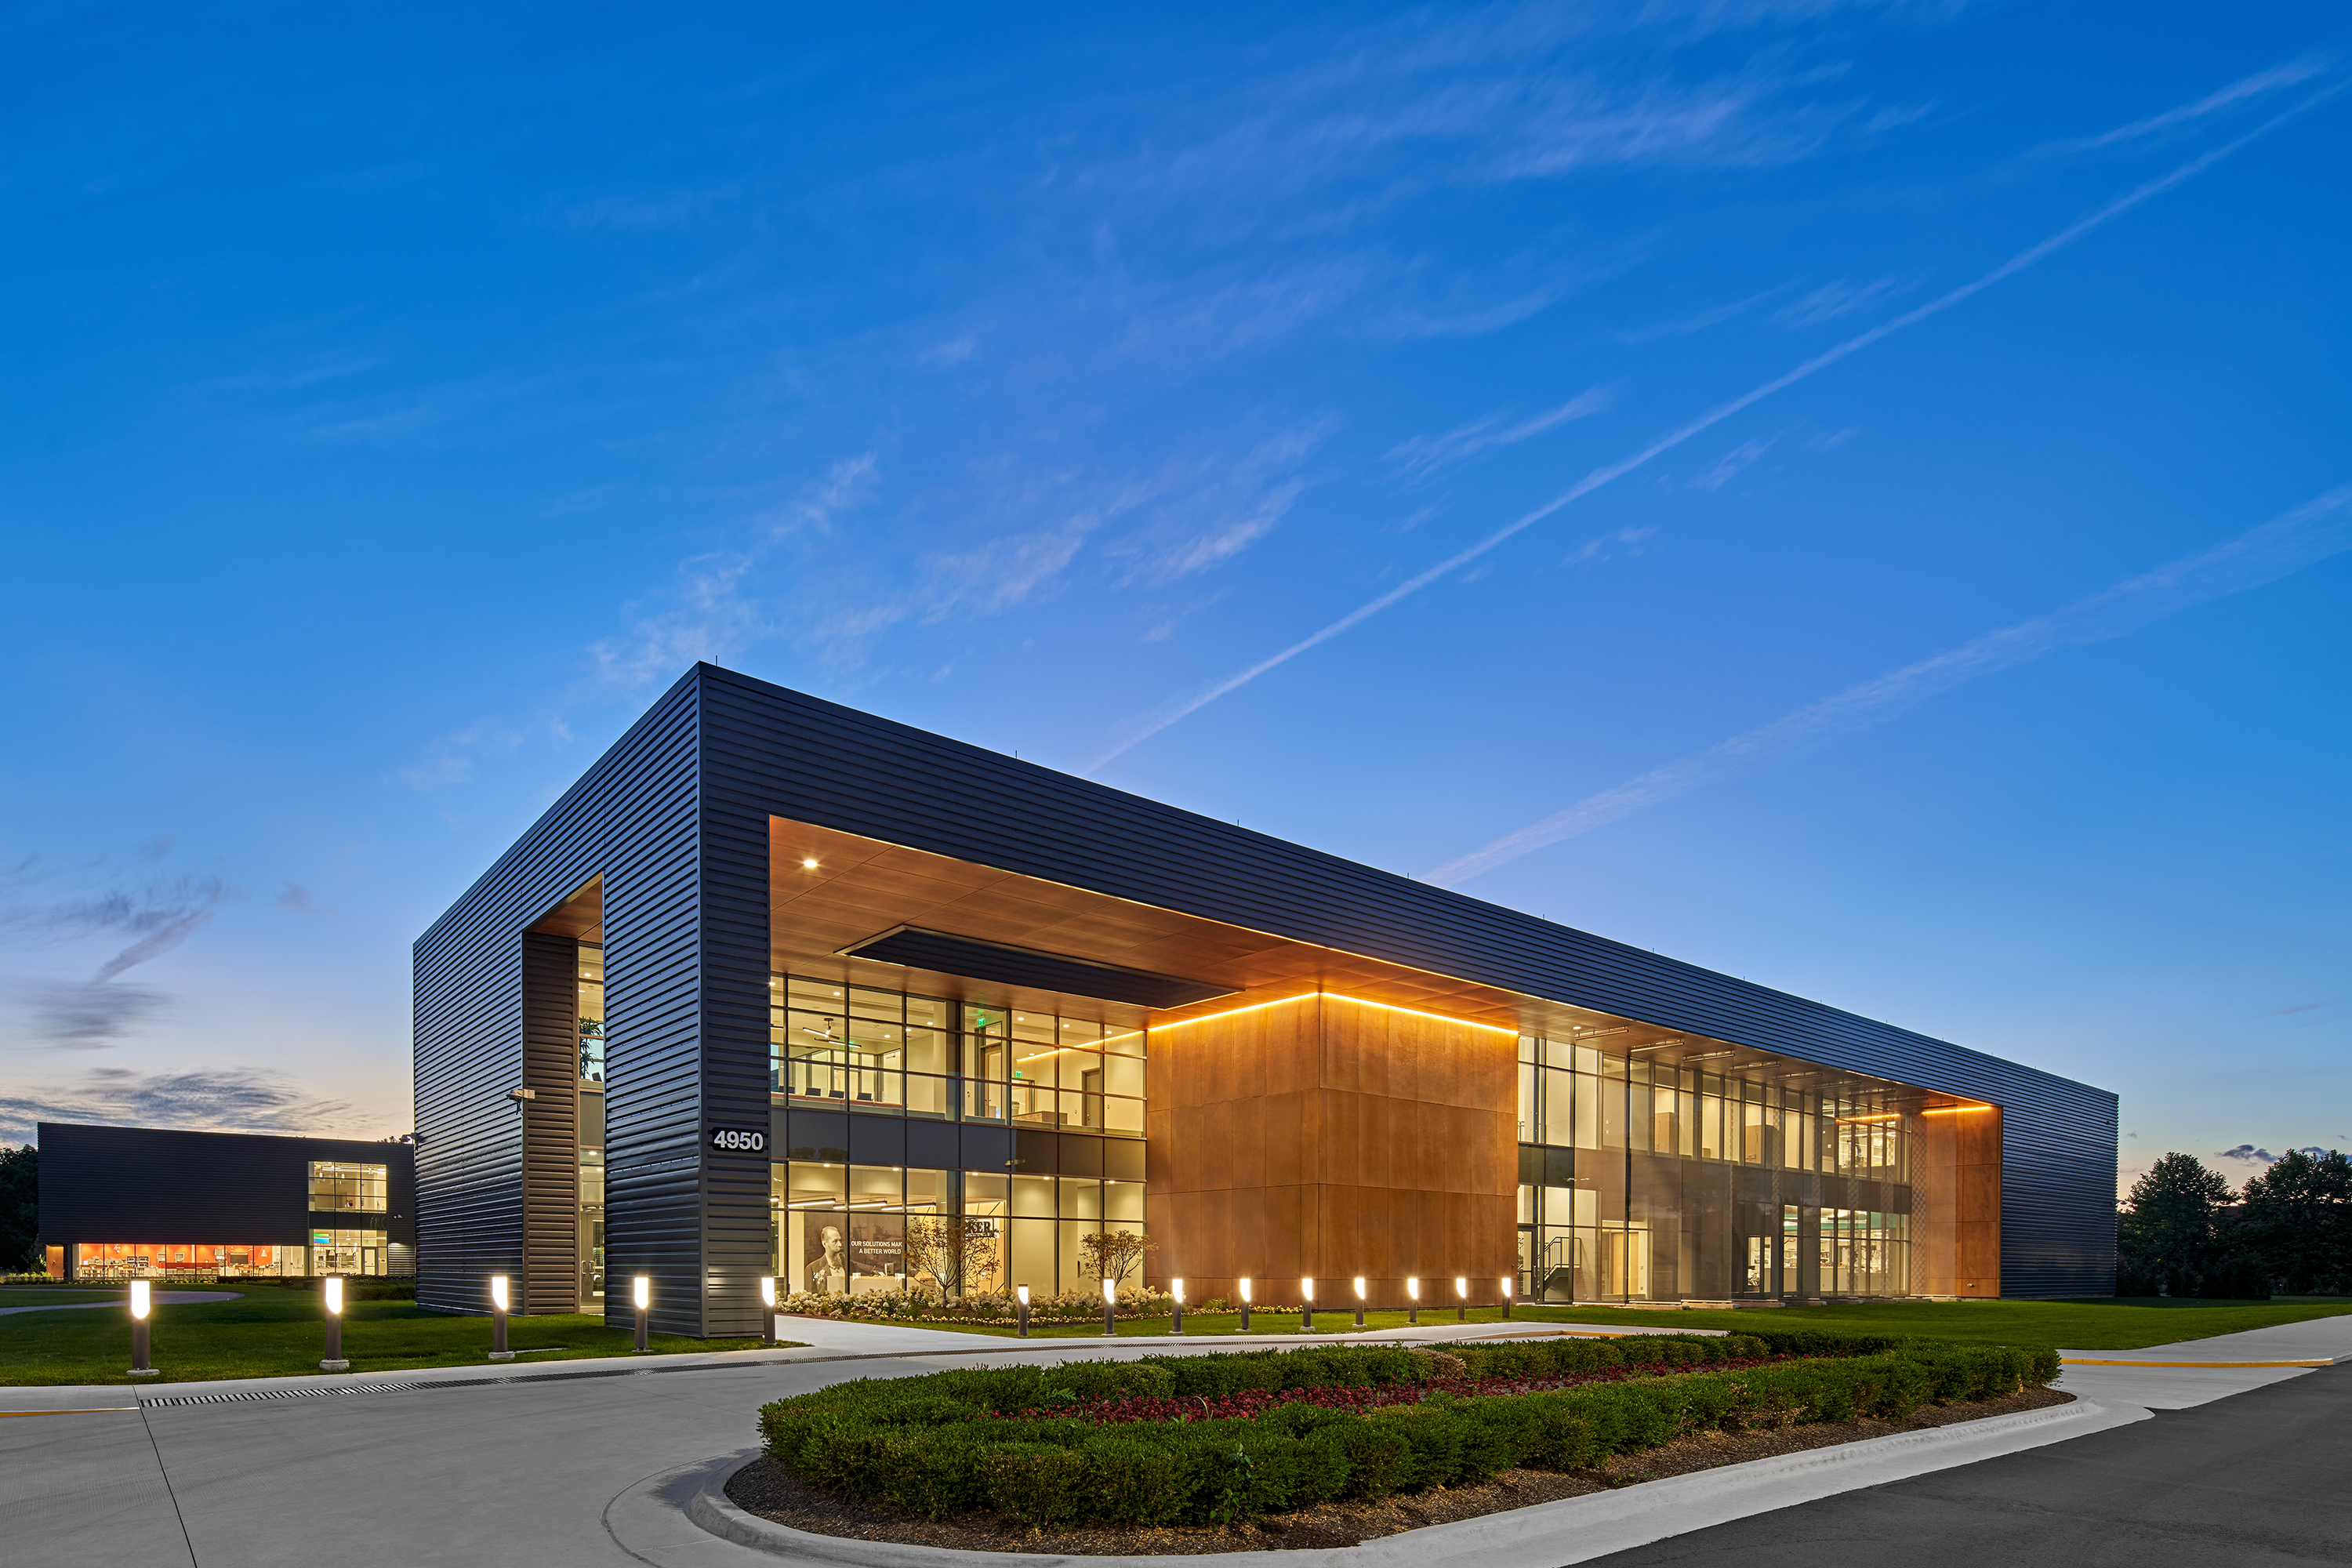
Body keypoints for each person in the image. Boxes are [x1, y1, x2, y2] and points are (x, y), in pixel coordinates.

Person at [807, 1224, 850, 1294]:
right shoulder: (812, 1269)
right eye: (835, 1241)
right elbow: (810, 1298)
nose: (840, 1245)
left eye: (840, 1240)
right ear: (825, 1244)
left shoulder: (850, 1266)